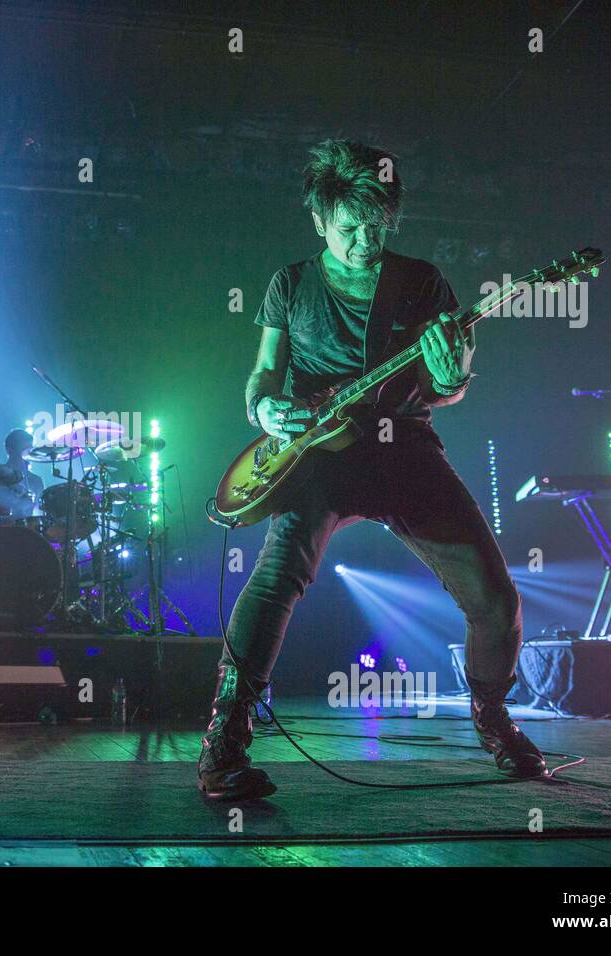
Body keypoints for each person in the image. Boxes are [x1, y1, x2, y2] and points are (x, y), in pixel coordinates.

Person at [199, 139, 545, 801]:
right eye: (350, 227)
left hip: (404, 451)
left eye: (377, 227)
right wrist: (267, 409)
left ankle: (494, 721)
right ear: (320, 222)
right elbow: (263, 378)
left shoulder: (420, 282)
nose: (364, 240)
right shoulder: (290, 284)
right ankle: (223, 745)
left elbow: (443, 384)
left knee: (495, 599)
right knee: (275, 580)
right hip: (317, 457)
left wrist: (451, 374)